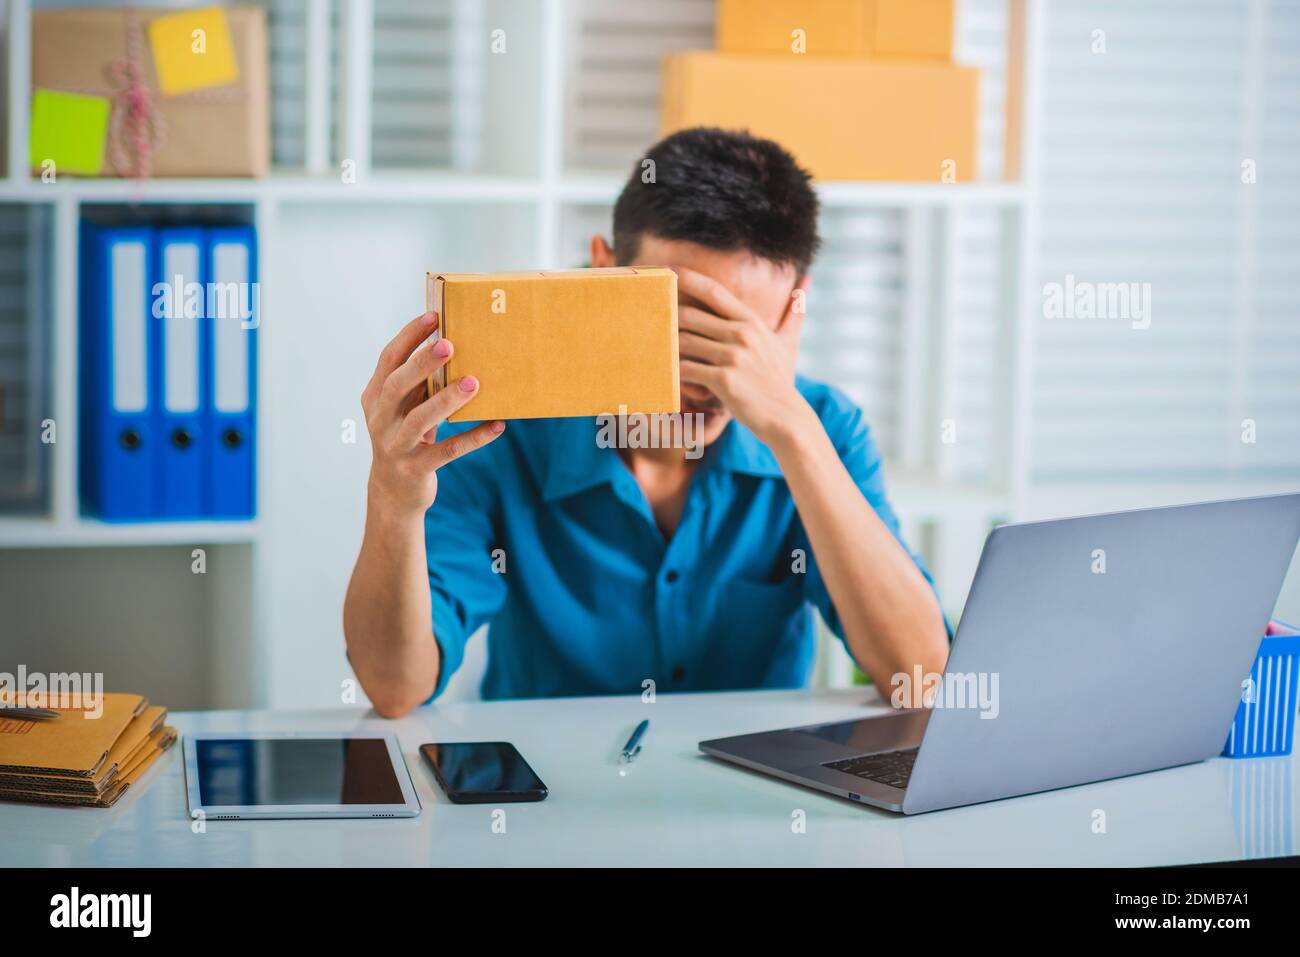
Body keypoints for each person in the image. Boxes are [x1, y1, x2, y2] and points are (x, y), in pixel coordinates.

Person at [344, 127, 949, 716]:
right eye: (678, 327)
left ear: (796, 310)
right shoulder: (496, 434)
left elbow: (919, 676)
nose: (703, 377)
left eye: (738, 338)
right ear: (602, 270)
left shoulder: (825, 428)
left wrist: (792, 433)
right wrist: (392, 500)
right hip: (550, 797)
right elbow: (395, 689)